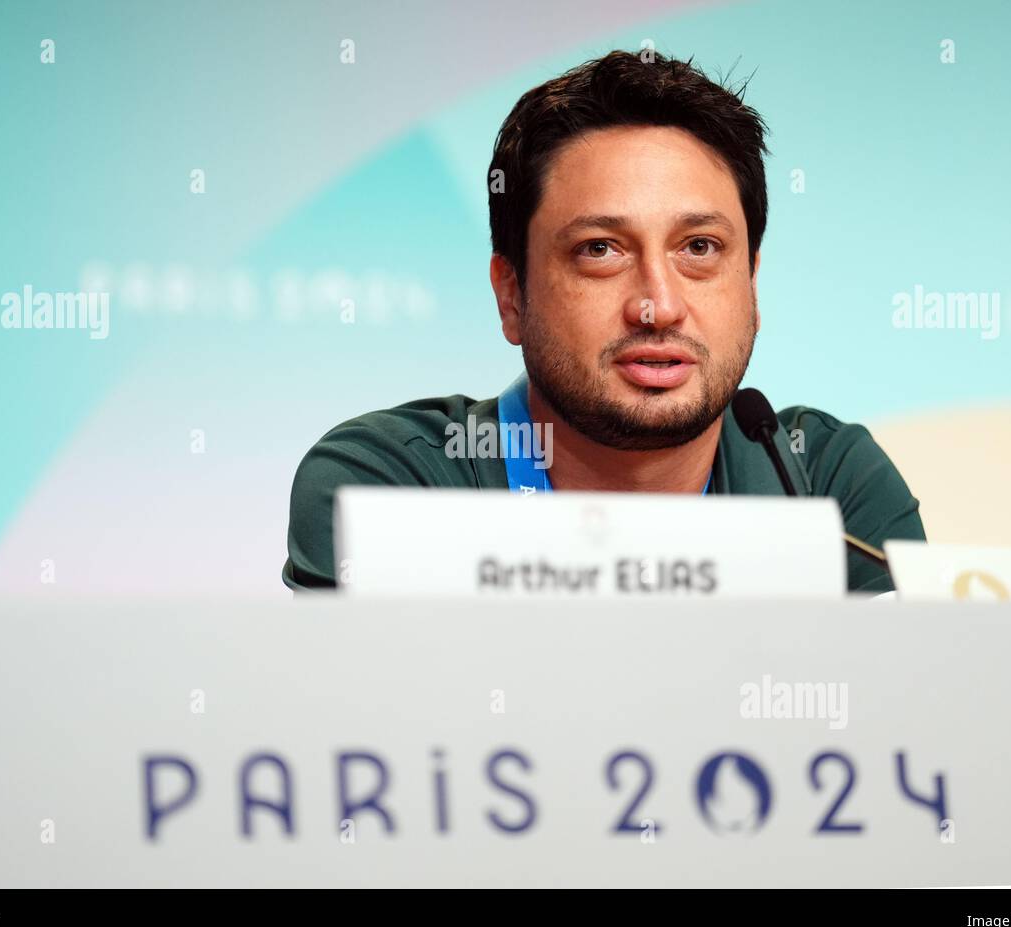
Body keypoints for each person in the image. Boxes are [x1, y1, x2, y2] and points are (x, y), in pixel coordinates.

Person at [284, 50, 924, 593]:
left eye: (699, 247)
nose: (658, 305)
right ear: (512, 295)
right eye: (600, 250)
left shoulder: (826, 485)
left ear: (751, 284)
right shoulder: (388, 486)